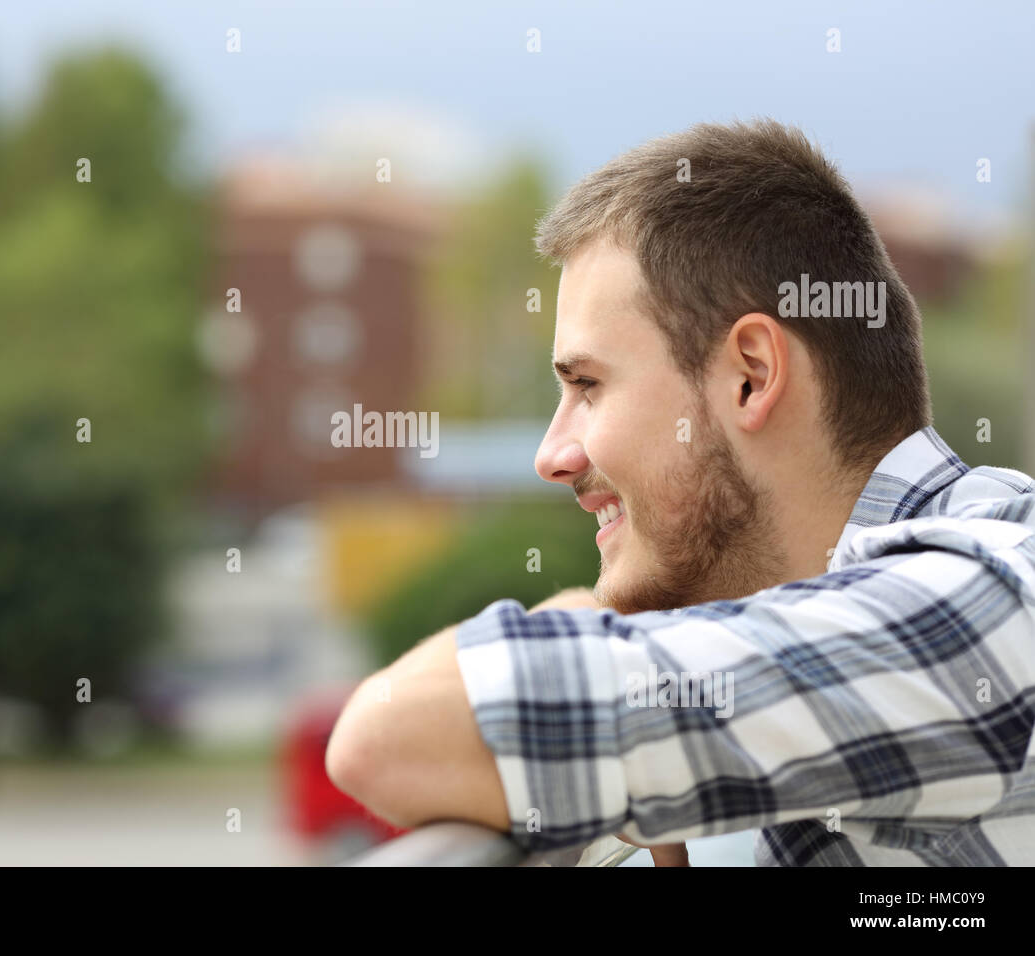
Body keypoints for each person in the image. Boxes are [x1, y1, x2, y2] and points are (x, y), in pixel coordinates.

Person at [325, 118, 1035, 866]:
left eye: (588, 386)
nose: (552, 455)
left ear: (750, 376)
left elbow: (382, 738)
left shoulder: (996, 605)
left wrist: (579, 627)